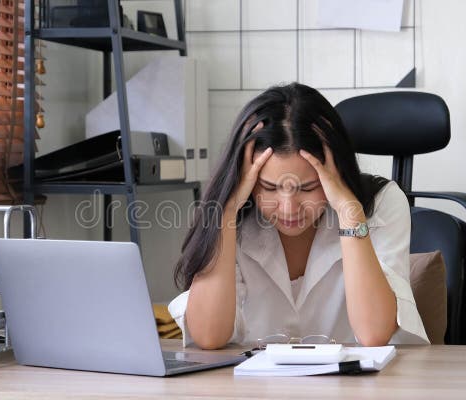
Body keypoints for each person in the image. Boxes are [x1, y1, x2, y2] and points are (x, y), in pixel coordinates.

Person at [169, 83, 428, 349]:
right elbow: (209, 337)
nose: (289, 208)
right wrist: (226, 214)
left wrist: (349, 216)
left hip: (355, 387)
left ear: (335, 170)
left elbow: (374, 334)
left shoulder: (382, 202)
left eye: (308, 187)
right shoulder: (234, 212)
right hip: (259, 389)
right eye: (269, 187)